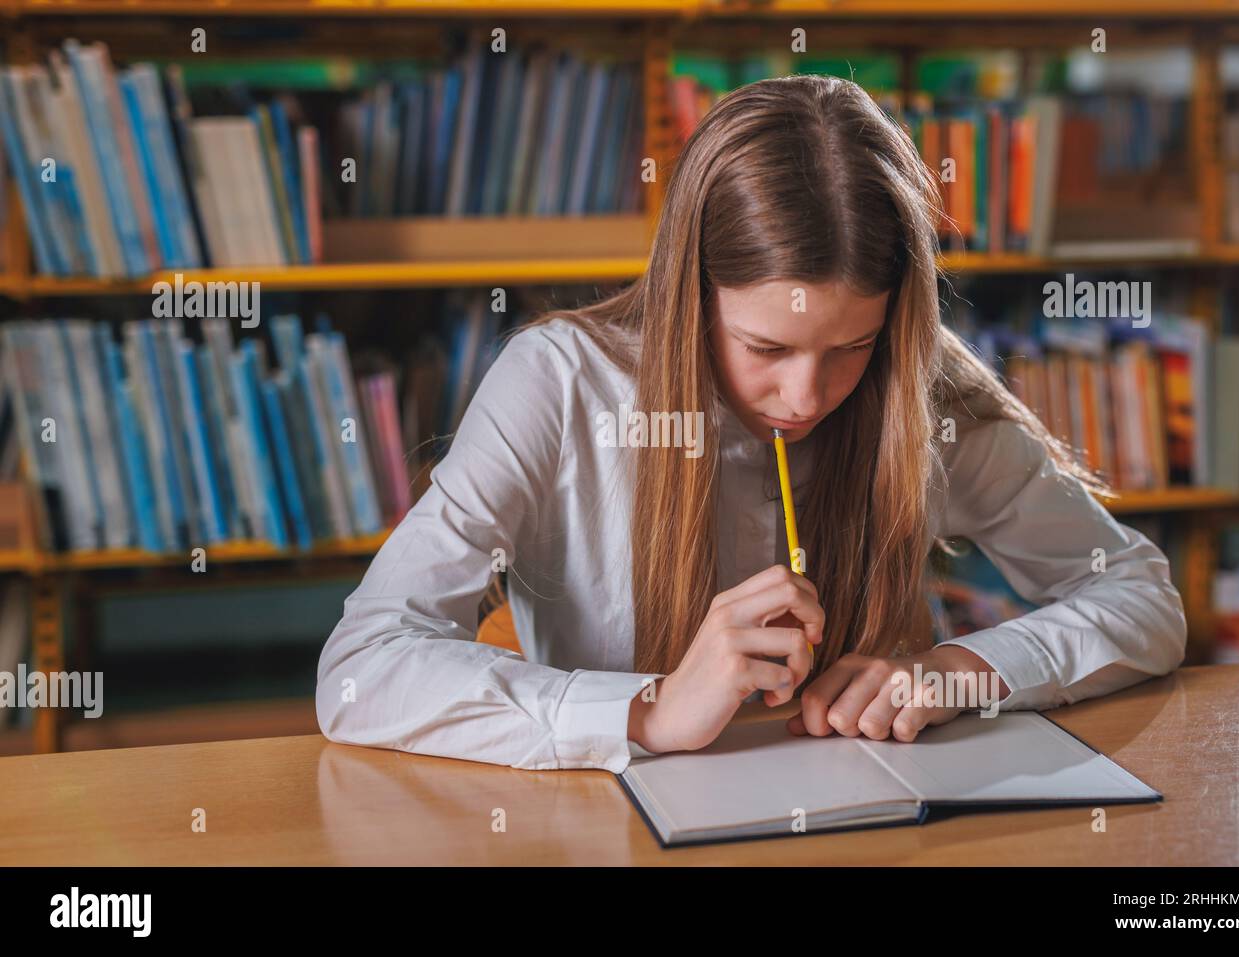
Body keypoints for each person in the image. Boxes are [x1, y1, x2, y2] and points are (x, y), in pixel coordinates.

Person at [316, 75, 1186, 772]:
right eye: (764, 345)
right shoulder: (560, 386)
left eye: (852, 346)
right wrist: (647, 710)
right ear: (689, 295)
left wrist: (957, 672)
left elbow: (1142, 596)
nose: (805, 397)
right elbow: (361, 668)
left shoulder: (923, 393)